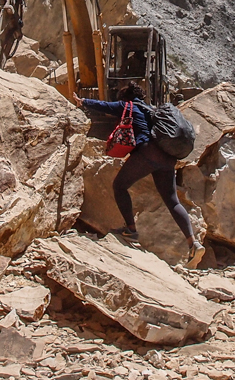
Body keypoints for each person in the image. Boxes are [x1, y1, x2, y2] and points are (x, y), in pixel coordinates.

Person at [72, 85, 206, 267]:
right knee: (172, 201)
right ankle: (193, 243)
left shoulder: (128, 106)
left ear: (125, 97)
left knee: (119, 186)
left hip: (148, 154)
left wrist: (84, 102)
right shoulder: (151, 110)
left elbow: (106, 106)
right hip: (167, 159)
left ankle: (131, 230)